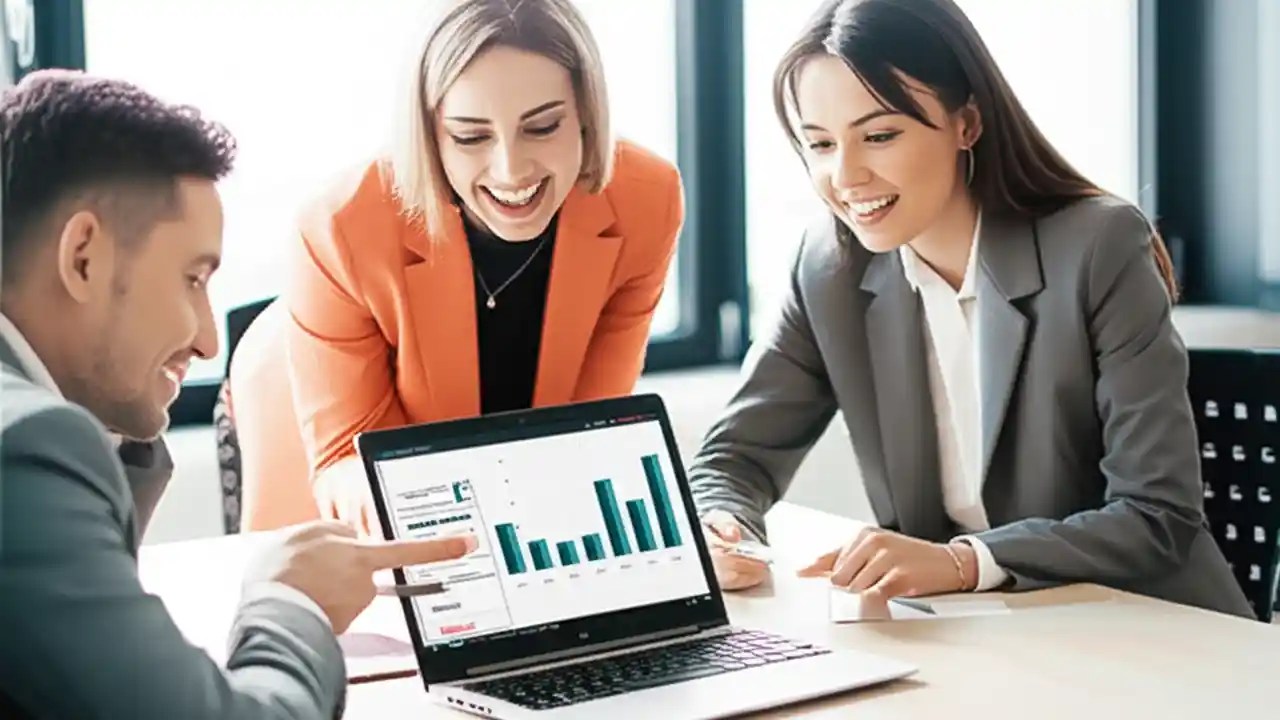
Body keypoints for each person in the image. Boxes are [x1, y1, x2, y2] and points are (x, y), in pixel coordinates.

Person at [689, 0, 1252, 618]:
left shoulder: (1099, 246)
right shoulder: (829, 268)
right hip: (979, 634)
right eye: (819, 144)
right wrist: (723, 528)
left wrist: (963, 561)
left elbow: (1157, 514)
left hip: (1151, 624)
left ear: (967, 123)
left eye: (879, 135)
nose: (845, 175)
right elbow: (732, 460)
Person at [0, 70, 476, 719]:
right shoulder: (28, 449)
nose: (206, 340)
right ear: (83, 256)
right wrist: (288, 603)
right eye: (192, 279)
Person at [225, 0, 684, 534]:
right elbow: (348, 459)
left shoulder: (645, 200)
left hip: (526, 518)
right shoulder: (341, 227)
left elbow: (591, 431)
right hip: (388, 527)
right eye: (470, 136)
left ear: (586, 113)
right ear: (429, 132)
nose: (512, 170)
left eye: (543, 128)